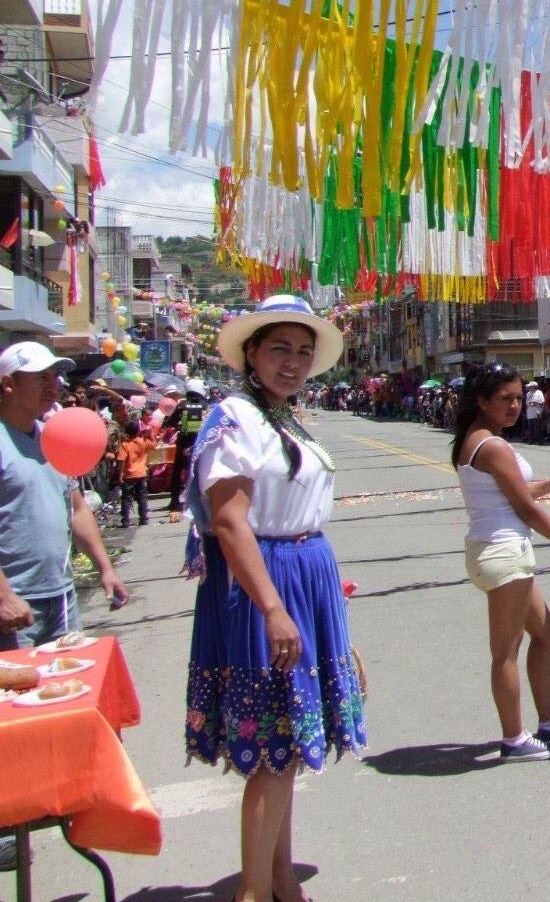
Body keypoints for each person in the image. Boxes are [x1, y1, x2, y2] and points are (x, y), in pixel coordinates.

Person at [185, 296, 365, 902]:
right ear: (252, 353)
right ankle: (254, 892)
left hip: (302, 578)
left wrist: (328, 612)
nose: (293, 362)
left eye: (304, 352)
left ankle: (281, 877)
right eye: (280, 348)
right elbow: (231, 522)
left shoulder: (283, 417)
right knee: (273, 747)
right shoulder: (236, 416)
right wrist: (273, 608)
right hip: (269, 581)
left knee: (284, 746)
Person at [452, 363, 550, 762]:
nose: (515, 406)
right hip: (503, 553)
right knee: (505, 651)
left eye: (518, 398)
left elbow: (516, 491)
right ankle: (514, 740)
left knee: (545, 632)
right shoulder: (491, 445)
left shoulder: (482, 439)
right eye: (505, 399)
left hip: (499, 552)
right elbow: (524, 508)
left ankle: (547, 722)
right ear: (481, 401)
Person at [0, 342, 128, 650]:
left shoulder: (52, 437)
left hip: (61, 595)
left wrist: (105, 568)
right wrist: (4, 596)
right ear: (7, 384)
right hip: (14, 604)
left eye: (55, 377)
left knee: (66, 687)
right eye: (40, 378)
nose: (53, 386)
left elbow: (76, 507)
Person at [164, 377, 209, 518]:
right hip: (199, 444)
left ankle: (175, 502)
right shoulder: (206, 405)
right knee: (200, 472)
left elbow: (170, 422)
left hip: (183, 443)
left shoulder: (182, 406)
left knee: (177, 473)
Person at [116, 419, 156, 527]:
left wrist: (120, 475)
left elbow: (122, 460)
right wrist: (150, 434)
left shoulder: (125, 445)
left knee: (127, 498)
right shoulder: (143, 442)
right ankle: (143, 519)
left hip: (129, 475)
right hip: (142, 473)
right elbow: (154, 445)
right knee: (142, 497)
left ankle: (126, 520)